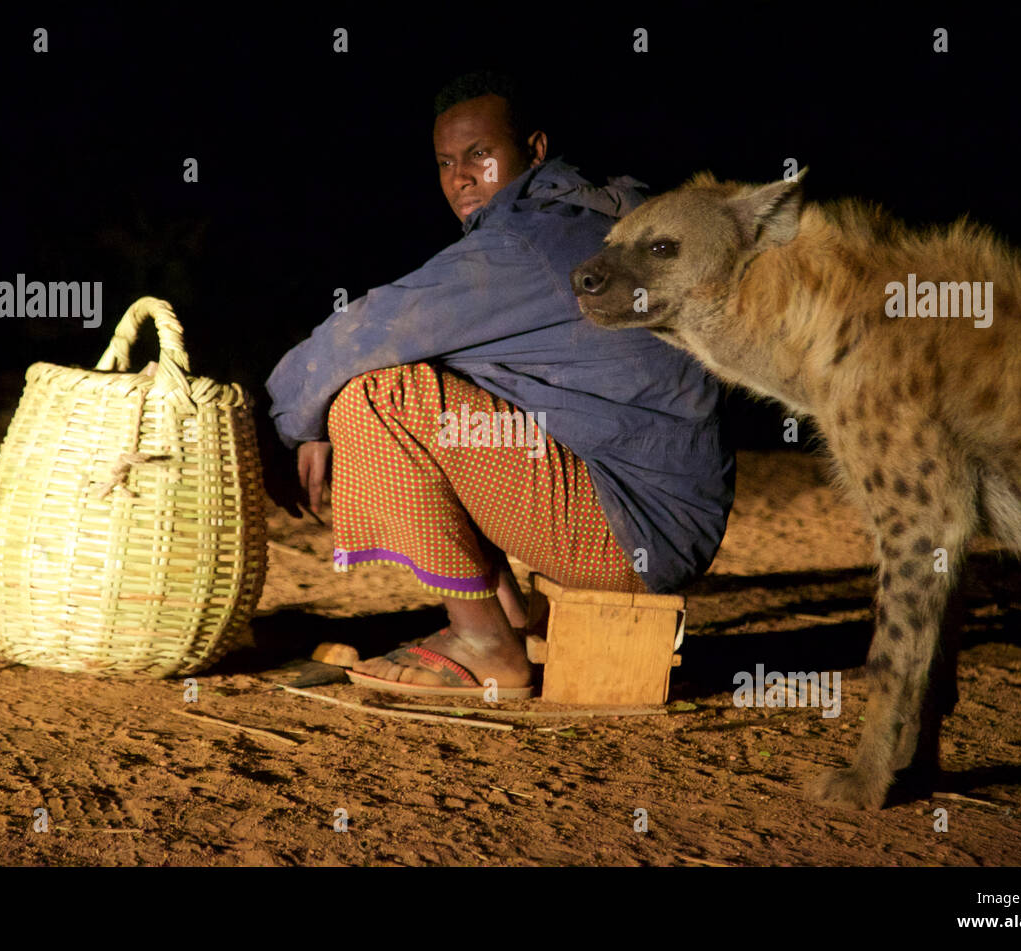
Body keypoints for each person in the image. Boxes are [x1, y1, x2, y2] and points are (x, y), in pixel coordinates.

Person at [265, 71, 735, 697]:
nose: (462, 177)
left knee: (378, 396)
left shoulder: (526, 242)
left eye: (480, 156)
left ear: (534, 151)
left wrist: (291, 425)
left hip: (630, 532)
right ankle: (511, 621)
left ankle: (486, 647)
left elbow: (360, 333)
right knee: (444, 379)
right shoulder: (587, 220)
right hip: (654, 513)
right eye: (446, 162)